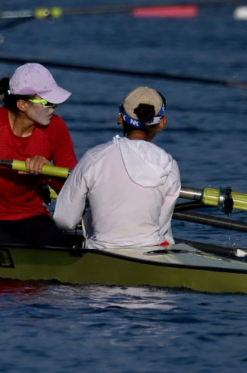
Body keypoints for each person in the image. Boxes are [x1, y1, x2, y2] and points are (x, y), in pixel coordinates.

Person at [0, 63, 78, 248]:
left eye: (55, 102)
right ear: (22, 104)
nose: (54, 108)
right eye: (48, 102)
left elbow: (71, 188)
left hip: (32, 215)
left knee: (58, 247)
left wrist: (47, 173)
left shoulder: (56, 128)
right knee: (16, 250)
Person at [53, 86, 180, 250]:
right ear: (162, 123)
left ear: (120, 118)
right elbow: (161, 225)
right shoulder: (170, 165)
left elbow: (65, 220)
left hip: (100, 253)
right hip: (149, 251)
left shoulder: (94, 157)